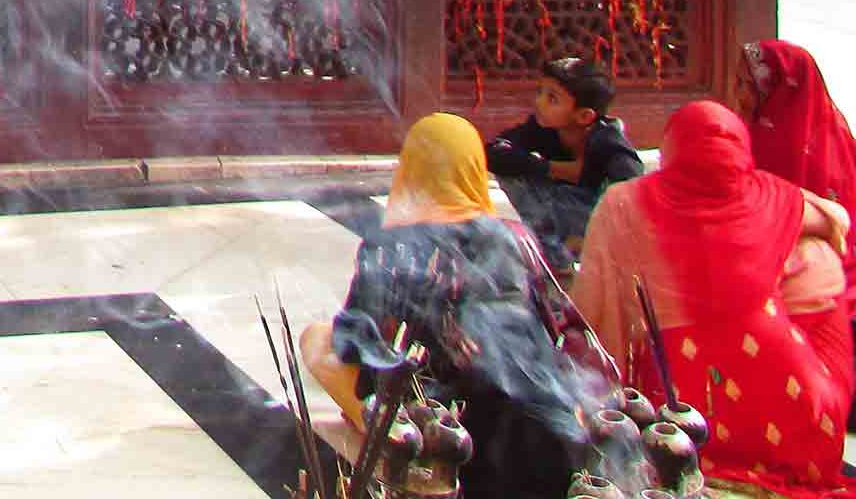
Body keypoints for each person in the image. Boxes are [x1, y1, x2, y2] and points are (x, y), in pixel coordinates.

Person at [299, 114, 600, 499]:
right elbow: (556, 330)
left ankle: (389, 434)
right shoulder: (519, 237)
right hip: (546, 434)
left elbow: (355, 342)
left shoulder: (390, 245)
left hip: (446, 437)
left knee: (317, 339)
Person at [574, 102, 854, 499]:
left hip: (676, 398)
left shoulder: (624, 204)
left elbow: (594, 320)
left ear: (671, 149)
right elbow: (836, 220)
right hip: (792, 404)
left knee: (667, 455)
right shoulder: (772, 197)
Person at [484, 55, 644, 269]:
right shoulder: (543, 129)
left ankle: (572, 252)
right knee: (512, 169)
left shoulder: (609, 143)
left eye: (552, 98)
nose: (538, 102)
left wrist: (594, 238)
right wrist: (553, 169)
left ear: (584, 116)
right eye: (540, 92)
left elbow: (632, 197)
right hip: (558, 211)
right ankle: (552, 251)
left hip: (597, 223)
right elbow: (494, 153)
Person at [737, 39, 856, 210]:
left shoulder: (825, 155)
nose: (738, 95)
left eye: (745, 84)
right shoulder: (749, 136)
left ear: (778, 90)